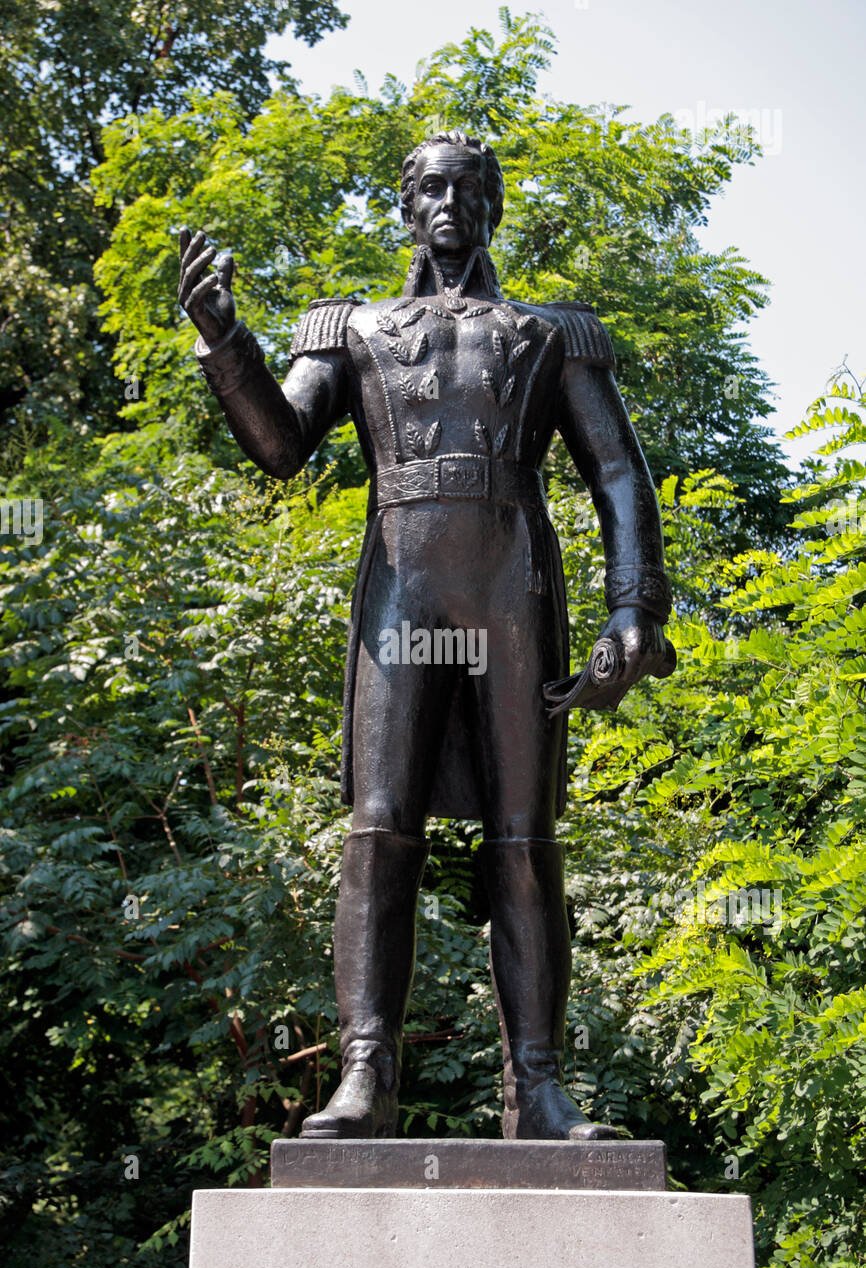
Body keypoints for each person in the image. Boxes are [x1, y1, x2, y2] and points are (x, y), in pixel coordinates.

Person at [178, 129, 675, 1141]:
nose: (449, 203)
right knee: (380, 825)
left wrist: (633, 611)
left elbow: (615, 471)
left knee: (524, 837)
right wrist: (226, 345)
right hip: (403, 585)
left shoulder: (551, 332)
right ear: (406, 206)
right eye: (430, 188)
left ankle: (534, 1083)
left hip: (509, 583)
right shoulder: (351, 328)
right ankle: (365, 1069)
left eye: (468, 187)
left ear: (490, 205)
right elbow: (280, 444)